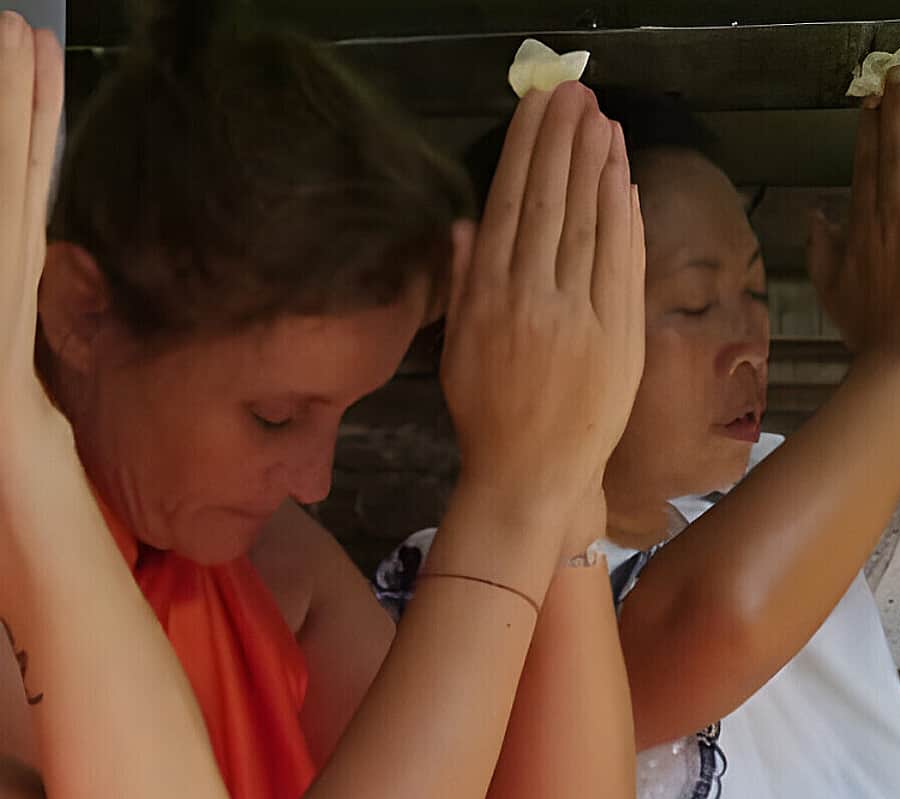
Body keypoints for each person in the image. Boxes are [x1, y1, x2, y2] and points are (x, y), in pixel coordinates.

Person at [378, 73, 900, 797]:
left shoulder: (790, 500)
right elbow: (708, 621)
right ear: (534, 329)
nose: (750, 340)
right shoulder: (473, 581)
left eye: (752, 289)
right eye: (694, 302)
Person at [0, 5, 644, 798]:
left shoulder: (272, 559)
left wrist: (566, 489)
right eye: (273, 415)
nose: (315, 481)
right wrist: (508, 509)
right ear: (81, 314)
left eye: (345, 411)